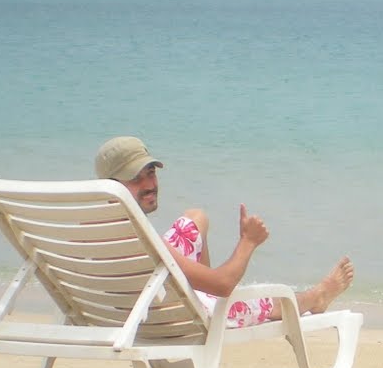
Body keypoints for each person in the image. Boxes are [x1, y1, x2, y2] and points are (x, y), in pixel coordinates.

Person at [94, 135, 353, 327]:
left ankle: (201, 289)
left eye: (150, 173)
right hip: (167, 317)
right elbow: (223, 285)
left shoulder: (92, 226)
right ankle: (314, 298)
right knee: (267, 301)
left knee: (195, 218)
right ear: (111, 184)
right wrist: (248, 242)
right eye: (136, 178)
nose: (150, 184)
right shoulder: (137, 237)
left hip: (135, 307)